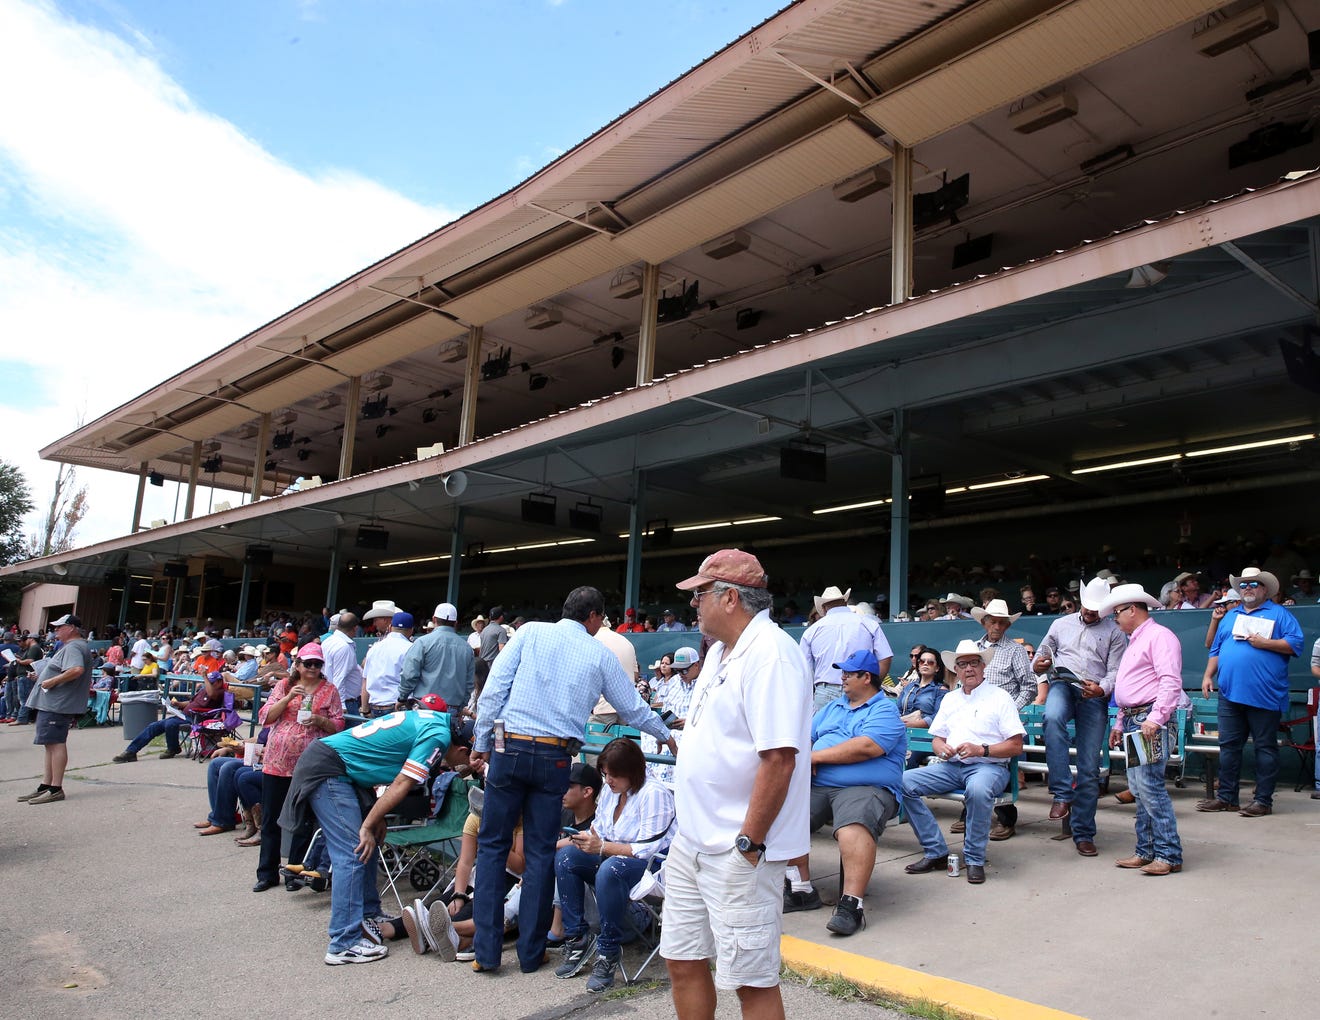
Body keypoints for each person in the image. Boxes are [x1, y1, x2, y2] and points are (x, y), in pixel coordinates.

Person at [470, 585, 675, 975]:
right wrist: (666, 736)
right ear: (595, 617)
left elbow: (493, 689)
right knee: (541, 852)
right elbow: (631, 708)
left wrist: (482, 742)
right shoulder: (598, 653)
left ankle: (486, 953)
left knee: (493, 847)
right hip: (553, 756)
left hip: (508, 748)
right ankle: (531, 954)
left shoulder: (528, 632)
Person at [662, 549, 811, 1020]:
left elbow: (779, 760)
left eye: (700, 594)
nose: (694, 604)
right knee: (682, 960)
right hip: (693, 840)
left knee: (751, 980)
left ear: (729, 598)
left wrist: (749, 843)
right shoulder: (721, 652)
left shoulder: (771, 655)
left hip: (737, 847)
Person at [279, 704, 461, 964]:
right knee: (353, 852)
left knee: (370, 843)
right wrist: (367, 824)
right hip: (331, 768)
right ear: (463, 748)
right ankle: (344, 942)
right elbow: (402, 783)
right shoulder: (439, 736)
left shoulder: (435, 719)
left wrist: (374, 818)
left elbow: (382, 757)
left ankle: (368, 914)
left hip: (344, 769)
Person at [783, 650, 906, 936]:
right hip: (819, 784)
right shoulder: (833, 707)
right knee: (783, 812)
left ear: (867, 678)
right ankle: (801, 889)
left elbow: (867, 747)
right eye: (843, 672)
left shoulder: (884, 708)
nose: (842, 678)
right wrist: (806, 755)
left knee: (853, 825)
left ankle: (852, 904)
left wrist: (815, 758)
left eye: (849, 673)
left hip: (866, 787)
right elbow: (805, 737)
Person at [900, 639, 1025, 884]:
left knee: (977, 790)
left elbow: (1016, 745)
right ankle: (936, 851)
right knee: (902, 781)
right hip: (951, 765)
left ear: (983, 667)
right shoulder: (950, 699)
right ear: (955, 670)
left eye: (974, 663)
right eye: (963, 664)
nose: (968, 668)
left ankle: (975, 859)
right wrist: (942, 748)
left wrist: (982, 749)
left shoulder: (1000, 697)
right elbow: (937, 739)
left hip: (989, 767)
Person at [555, 738, 676, 991]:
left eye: (613, 775)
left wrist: (602, 847)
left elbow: (647, 849)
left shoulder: (653, 793)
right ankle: (577, 938)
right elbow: (597, 830)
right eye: (605, 774)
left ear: (632, 771)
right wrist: (558, 845)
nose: (607, 781)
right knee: (566, 858)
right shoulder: (612, 793)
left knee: (611, 870)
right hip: (612, 858)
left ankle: (608, 952)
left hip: (653, 868)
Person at [1032, 577, 1127, 857]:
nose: (1090, 611)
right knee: (1051, 718)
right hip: (1062, 682)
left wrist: (1102, 688)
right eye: (1087, 606)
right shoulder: (1061, 624)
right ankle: (1062, 793)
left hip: (1093, 693)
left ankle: (1083, 832)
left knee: (1089, 766)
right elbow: (1041, 655)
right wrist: (1039, 663)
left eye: (1096, 608)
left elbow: (1116, 671)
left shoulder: (1114, 631)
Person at [1198, 567, 1304, 817]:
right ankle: (1227, 797)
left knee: (1265, 747)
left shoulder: (1279, 614)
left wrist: (1265, 643)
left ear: (1265, 589)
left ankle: (1263, 801)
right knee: (1229, 746)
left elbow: (1295, 644)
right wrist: (1207, 674)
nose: (1248, 589)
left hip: (1264, 693)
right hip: (1229, 691)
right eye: (1244, 585)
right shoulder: (1231, 616)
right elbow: (1216, 648)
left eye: (1254, 584)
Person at [1101, 584, 1184, 875]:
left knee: (1149, 787)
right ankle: (1148, 850)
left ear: (1131, 610)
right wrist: (1121, 722)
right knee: (1140, 787)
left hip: (1148, 720)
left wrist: (1156, 718)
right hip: (1139, 719)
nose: (1115, 619)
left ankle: (1167, 853)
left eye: (1117, 613)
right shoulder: (1141, 639)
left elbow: (1169, 681)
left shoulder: (1158, 637)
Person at [252, 643, 346, 893]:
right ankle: (267, 873)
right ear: (298, 664)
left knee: (303, 820)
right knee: (271, 818)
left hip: (309, 763)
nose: (313, 668)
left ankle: (295, 871)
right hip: (277, 761)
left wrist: (319, 720)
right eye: (308, 663)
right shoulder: (284, 685)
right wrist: (289, 697)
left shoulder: (329, 691)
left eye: (318, 664)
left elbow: (339, 724)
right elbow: (265, 717)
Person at [16, 614, 94, 805]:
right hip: (55, 703)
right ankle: (47, 785)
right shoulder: (73, 646)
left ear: (72, 628)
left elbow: (76, 670)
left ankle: (56, 788)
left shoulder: (75, 646)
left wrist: (50, 681)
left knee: (55, 743)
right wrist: (43, 676)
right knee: (50, 743)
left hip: (58, 704)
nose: (55, 631)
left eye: (59, 627)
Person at [799, 584, 893, 711]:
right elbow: (885, 658)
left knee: (825, 730)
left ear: (824, 607)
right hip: (861, 686)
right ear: (845, 602)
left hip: (825, 690)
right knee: (860, 729)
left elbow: (804, 670)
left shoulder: (812, 631)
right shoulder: (868, 624)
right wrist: (872, 686)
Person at [112, 669, 227, 763]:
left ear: (219, 682)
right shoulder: (204, 690)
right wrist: (177, 704)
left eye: (212, 682)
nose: (209, 683)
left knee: (170, 723)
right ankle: (131, 752)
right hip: (183, 716)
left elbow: (212, 694)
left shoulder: (220, 692)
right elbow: (191, 703)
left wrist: (205, 677)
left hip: (198, 719)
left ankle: (173, 749)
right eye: (209, 682)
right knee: (154, 726)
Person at [398, 602, 475, 712]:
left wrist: (402, 697)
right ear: (455, 623)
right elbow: (469, 683)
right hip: (452, 708)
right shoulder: (467, 648)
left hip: (425, 706)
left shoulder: (422, 642)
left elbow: (409, 674)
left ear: (434, 619)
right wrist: (462, 706)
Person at [362, 612, 413, 715]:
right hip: (398, 706)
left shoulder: (374, 648)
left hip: (375, 706)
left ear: (390, 627)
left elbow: (365, 681)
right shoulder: (411, 648)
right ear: (411, 630)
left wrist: (365, 710)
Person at [896, 646, 949, 729]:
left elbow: (939, 716)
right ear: (918, 665)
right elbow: (897, 710)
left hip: (922, 736)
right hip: (900, 731)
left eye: (930, 662)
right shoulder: (909, 687)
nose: (925, 664)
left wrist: (914, 724)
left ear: (937, 668)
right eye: (922, 661)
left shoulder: (941, 690)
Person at [323, 612, 364, 715]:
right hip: (345, 702)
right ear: (355, 628)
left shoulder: (328, 642)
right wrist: (341, 704)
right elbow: (339, 677)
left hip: (332, 697)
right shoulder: (343, 646)